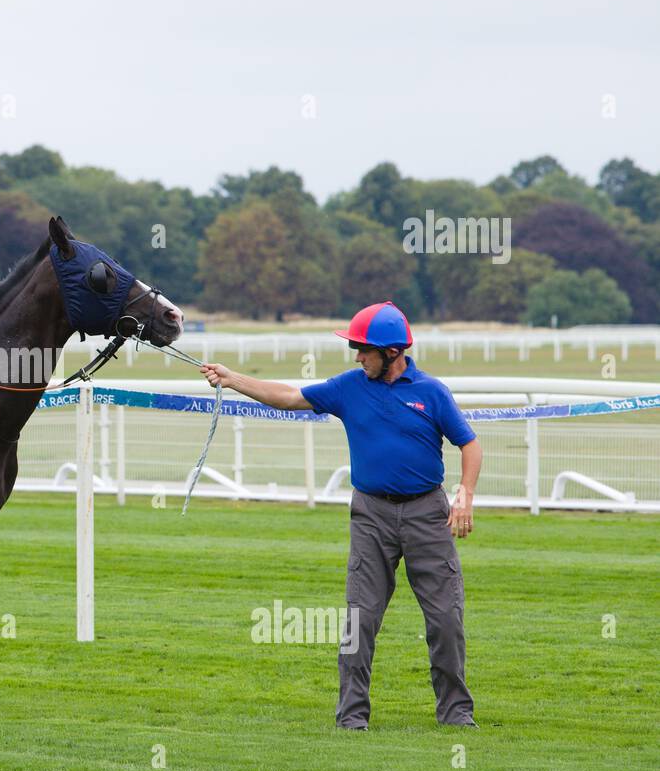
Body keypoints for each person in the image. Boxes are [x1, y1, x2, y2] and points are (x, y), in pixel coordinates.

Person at [201, 302, 482, 730]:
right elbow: (290, 397)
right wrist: (231, 378)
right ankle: (352, 717)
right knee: (359, 617)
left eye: (362, 349)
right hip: (370, 514)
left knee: (445, 618)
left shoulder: (432, 392)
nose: (355, 356)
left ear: (391, 352)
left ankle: (456, 713)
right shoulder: (349, 387)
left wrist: (465, 493)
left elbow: (470, 445)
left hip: (428, 514)